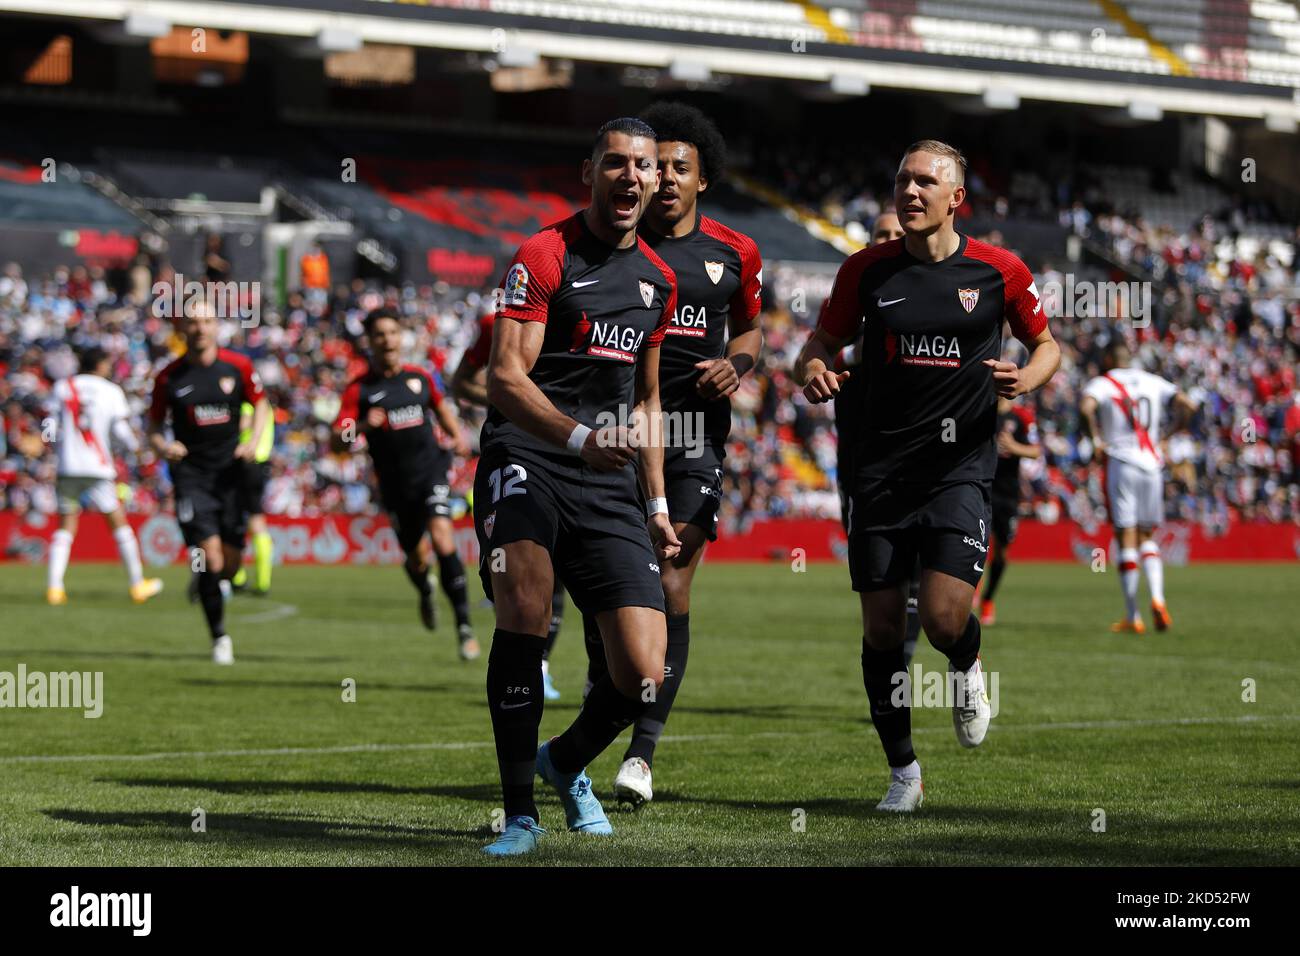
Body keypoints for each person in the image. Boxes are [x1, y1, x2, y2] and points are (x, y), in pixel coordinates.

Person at [795, 140, 1060, 812]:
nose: (909, 193)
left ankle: (968, 668)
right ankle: (903, 772)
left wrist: (1028, 377)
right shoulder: (864, 271)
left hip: (959, 470)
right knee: (883, 630)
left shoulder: (1000, 271)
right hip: (877, 471)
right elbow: (819, 344)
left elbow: (1047, 344)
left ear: (955, 199)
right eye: (901, 181)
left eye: (924, 183)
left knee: (943, 620)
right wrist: (814, 370)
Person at [475, 117, 679, 856]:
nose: (631, 177)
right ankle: (520, 814)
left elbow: (649, 401)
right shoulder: (544, 254)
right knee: (526, 613)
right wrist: (581, 437)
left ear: (658, 182)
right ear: (589, 172)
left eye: (644, 167)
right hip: (529, 456)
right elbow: (504, 378)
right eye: (617, 164)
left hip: (608, 479)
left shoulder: (659, 279)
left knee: (644, 673)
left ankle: (562, 763)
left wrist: (656, 504)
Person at [582, 101, 764, 809]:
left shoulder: (734, 253)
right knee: (610, 597)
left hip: (691, 439)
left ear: (701, 180)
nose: (663, 181)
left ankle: (641, 755)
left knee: (672, 582)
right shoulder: (615, 244)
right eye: (656, 167)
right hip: (613, 435)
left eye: (679, 169)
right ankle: (603, 709)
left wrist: (737, 367)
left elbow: (750, 334)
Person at [333, 308, 478, 658]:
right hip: (396, 487)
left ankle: (464, 628)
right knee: (416, 558)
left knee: (444, 538)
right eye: (380, 334)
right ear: (370, 341)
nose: (388, 340)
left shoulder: (420, 377)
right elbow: (338, 439)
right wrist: (364, 426)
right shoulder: (360, 390)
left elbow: (440, 408)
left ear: (402, 337)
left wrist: (457, 435)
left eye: (393, 333)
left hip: (431, 471)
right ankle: (426, 591)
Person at [451, 298, 566, 698]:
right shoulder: (497, 323)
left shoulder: (597, 309)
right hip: (517, 455)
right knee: (536, 574)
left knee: (568, 576)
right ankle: (534, 671)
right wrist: (510, 399)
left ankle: (557, 673)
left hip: (577, 453)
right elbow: (461, 380)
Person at [148, 306, 270, 664]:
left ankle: (207, 579)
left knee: (230, 563)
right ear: (183, 328)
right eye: (193, 322)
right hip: (192, 476)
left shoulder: (238, 367)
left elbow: (261, 404)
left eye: (206, 321)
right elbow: (153, 426)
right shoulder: (169, 376)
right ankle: (220, 638)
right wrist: (163, 446)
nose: (199, 328)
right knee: (208, 555)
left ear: (216, 327)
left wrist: (253, 440)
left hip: (231, 474)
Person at [1080, 339, 1196, 633]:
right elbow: (1188, 404)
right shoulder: (1152, 381)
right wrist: (1169, 434)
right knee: (1147, 535)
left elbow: (1086, 408)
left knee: (1126, 537)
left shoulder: (1102, 383)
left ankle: (1133, 615)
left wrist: (1095, 440)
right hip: (1152, 464)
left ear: (1108, 358)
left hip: (1122, 461)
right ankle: (1158, 599)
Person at [46, 347, 163, 606]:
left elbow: (50, 425)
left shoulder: (63, 387)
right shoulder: (111, 391)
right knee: (119, 523)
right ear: (99, 364)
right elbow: (120, 430)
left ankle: (55, 588)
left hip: (67, 467)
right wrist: (138, 450)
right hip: (98, 467)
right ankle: (137, 584)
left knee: (66, 525)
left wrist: (55, 450)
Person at [975, 392, 1039, 625]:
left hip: (1008, 493)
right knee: (973, 542)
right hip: (980, 487)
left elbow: (1036, 451)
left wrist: (1014, 447)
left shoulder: (1020, 417)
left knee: (1001, 551)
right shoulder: (980, 411)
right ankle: (970, 589)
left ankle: (988, 599)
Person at [230, 399, 275, 596]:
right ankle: (262, 581)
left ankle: (236, 576)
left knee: (235, 519)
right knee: (256, 519)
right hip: (260, 465)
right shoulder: (266, 405)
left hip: (246, 462)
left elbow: (244, 422)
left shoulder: (249, 403)